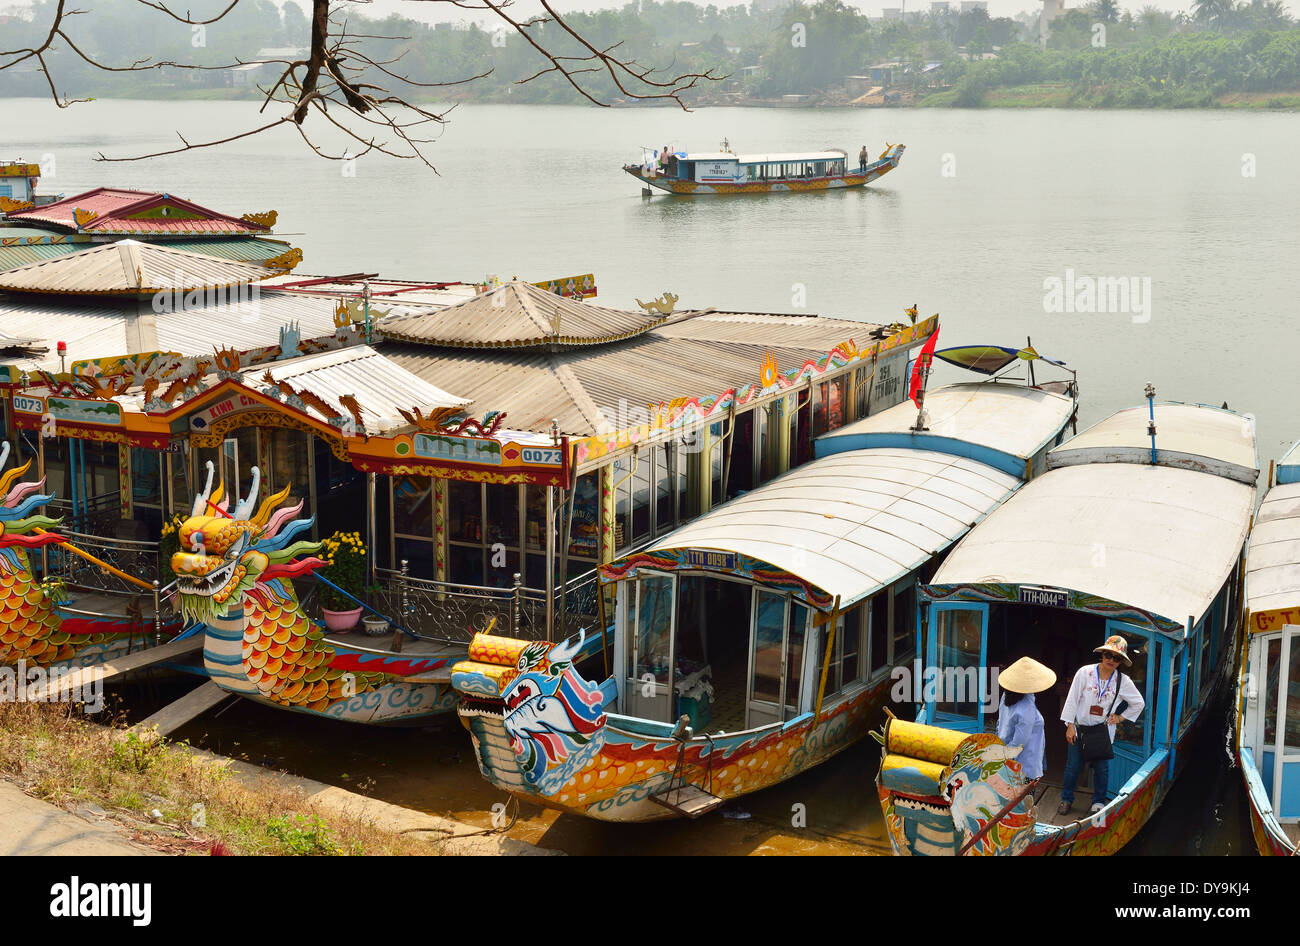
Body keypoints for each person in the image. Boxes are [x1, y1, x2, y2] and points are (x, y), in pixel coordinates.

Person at [1058, 635, 1145, 816]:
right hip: (1079, 729)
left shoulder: (1123, 681)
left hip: (1102, 732)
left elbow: (1138, 703)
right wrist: (1069, 725)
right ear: (1102, 655)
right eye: (1108, 655)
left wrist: (1120, 718)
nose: (1111, 660)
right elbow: (1072, 698)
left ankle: (1098, 802)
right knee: (1072, 766)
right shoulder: (1085, 673)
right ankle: (1066, 799)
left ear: (1120, 661)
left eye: (1117, 658)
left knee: (1101, 769)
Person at [996, 656, 1056, 780]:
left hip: (1006, 754)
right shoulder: (1026, 707)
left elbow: (1000, 724)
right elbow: (1019, 743)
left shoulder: (1006, 696)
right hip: (1023, 766)